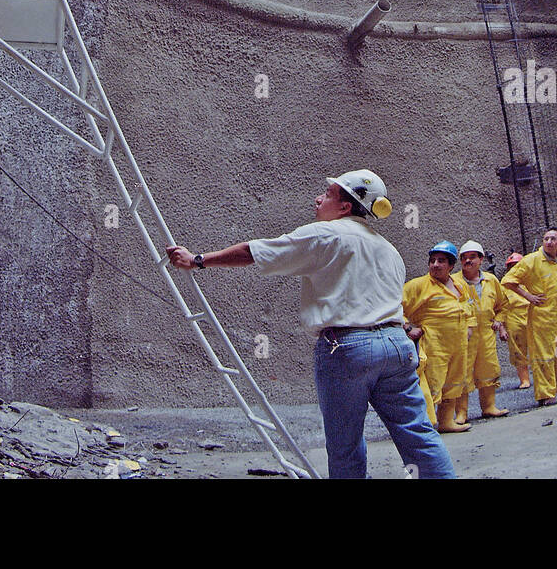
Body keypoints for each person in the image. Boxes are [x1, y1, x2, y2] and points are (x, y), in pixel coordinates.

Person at [166, 170, 454, 480]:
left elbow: (257, 251)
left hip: (348, 348)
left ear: (345, 207)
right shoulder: (388, 249)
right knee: (418, 432)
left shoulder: (325, 234)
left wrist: (197, 260)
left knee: (345, 444)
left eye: (328, 194)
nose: (318, 199)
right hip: (397, 345)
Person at [503, 227, 557, 406]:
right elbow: (509, 280)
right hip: (543, 317)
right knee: (544, 355)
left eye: (553, 239)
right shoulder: (532, 260)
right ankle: (546, 394)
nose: (549, 242)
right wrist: (529, 296)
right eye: (546, 238)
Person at [403, 242, 472, 433]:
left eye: (441, 261)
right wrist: (407, 328)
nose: (435, 265)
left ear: (451, 266)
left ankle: (446, 422)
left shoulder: (459, 285)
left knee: (454, 383)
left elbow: (467, 307)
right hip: (434, 345)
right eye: (432, 261)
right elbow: (395, 308)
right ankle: (426, 426)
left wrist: (469, 327)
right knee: (433, 384)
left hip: (458, 344)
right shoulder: (417, 285)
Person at [457, 243, 508, 419]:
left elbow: (502, 306)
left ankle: (489, 407)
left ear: (481, 259)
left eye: (472, 257)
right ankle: (461, 413)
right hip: (464, 335)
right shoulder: (454, 282)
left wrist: (499, 321)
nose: (467, 261)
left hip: (486, 333)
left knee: (489, 369)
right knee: (462, 372)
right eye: (464, 257)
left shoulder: (491, 281)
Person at [500, 252, 531, 389]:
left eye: (517, 265)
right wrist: (502, 328)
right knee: (518, 351)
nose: (515, 268)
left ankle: (544, 378)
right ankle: (524, 379)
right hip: (513, 318)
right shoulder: (504, 285)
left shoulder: (531, 281)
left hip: (532, 315)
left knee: (541, 348)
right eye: (511, 266)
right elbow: (499, 307)